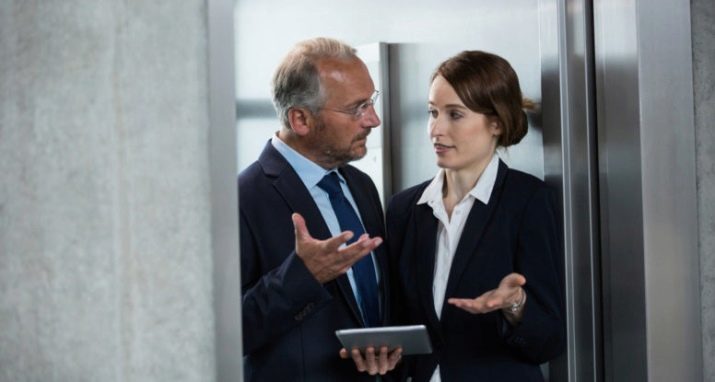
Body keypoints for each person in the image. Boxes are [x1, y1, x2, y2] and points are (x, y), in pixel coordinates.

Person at [386, 51, 565, 381]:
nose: (435, 129)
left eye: (455, 114)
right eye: (432, 112)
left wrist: (515, 304)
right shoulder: (404, 209)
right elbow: (396, 322)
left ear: (495, 122)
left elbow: (548, 341)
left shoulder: (527, 201)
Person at [239, 37, 401, 381]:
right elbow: (225, 332)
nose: (373, 120)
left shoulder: (361, 186)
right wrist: (302, 276)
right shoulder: (242, 198)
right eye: (357, 108)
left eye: (371, 102)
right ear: (300, 119)